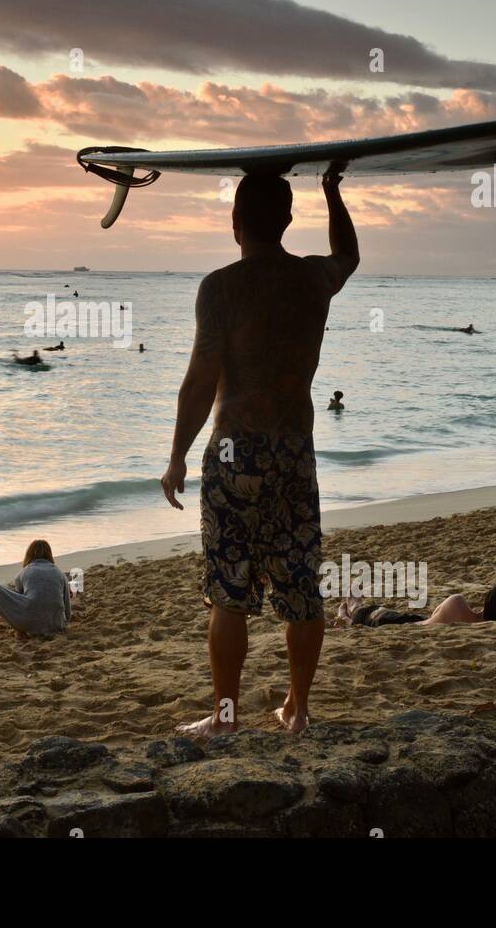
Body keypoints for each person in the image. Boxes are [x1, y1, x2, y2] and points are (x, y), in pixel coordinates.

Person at [160, 163, 358, 736]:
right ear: (289, 219)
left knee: (228, 590)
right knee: (301, 587)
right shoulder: (313, 279)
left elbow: (201, 379)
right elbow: (349, 254)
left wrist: (176, 456)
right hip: (294, 450)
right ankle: (297, 710)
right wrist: (333, 191)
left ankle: (225, 717)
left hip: (234, 454)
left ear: (235, 221)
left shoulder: (220, 287)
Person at [338, 581, 496, 627]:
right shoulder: (478, 622)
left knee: (355, 608)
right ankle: (345, 612)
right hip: (408, 620)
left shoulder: (458, 604)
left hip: (391, 621)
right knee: (356, 609)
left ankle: (343, 613)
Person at [0, 539, 72, 639]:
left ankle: (19, 630)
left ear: (29, 555)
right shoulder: (60, 573)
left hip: (31, 624)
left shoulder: (24, 572)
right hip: (57, 625)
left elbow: (18, 605)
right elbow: (67, 612)